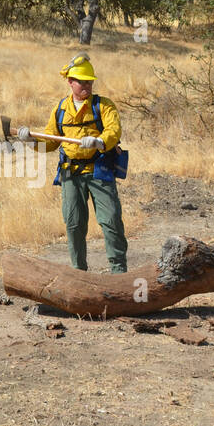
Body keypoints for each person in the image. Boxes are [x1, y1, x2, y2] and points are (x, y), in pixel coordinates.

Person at [18, 55, 128, 273]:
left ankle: (119, 273)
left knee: (111, 221)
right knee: (74, 225)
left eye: (89, 81)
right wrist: (30, 140)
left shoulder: (103, 106)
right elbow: (50, 142)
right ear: (70, 81)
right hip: (71, 173)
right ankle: (79, 273)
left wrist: (100, 141)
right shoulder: (60, 109)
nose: (86, 85)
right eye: (81, 81)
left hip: (100, 169)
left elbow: (113, 131)